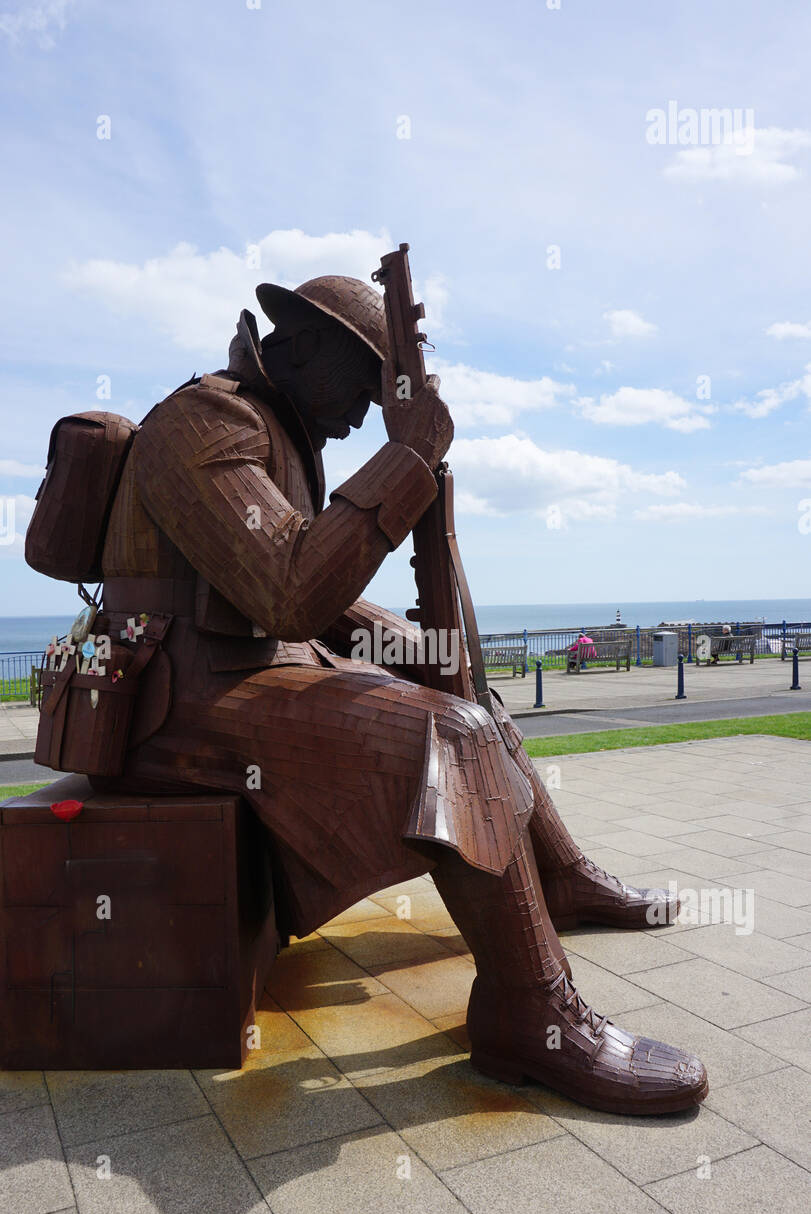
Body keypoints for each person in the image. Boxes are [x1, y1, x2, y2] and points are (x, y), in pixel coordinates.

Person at [92, 275, 707, 1115]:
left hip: (240, 677)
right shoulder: (205, 421)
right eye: (363, 385)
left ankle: (559, 879)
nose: (365, 414)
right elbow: (288, 591)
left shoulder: (277, 432)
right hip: (177, 707)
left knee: (467, 699)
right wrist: (407, 459)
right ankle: (529, 1012)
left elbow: (305, 589)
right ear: (308, 345)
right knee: (446, 734)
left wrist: (419, 650)